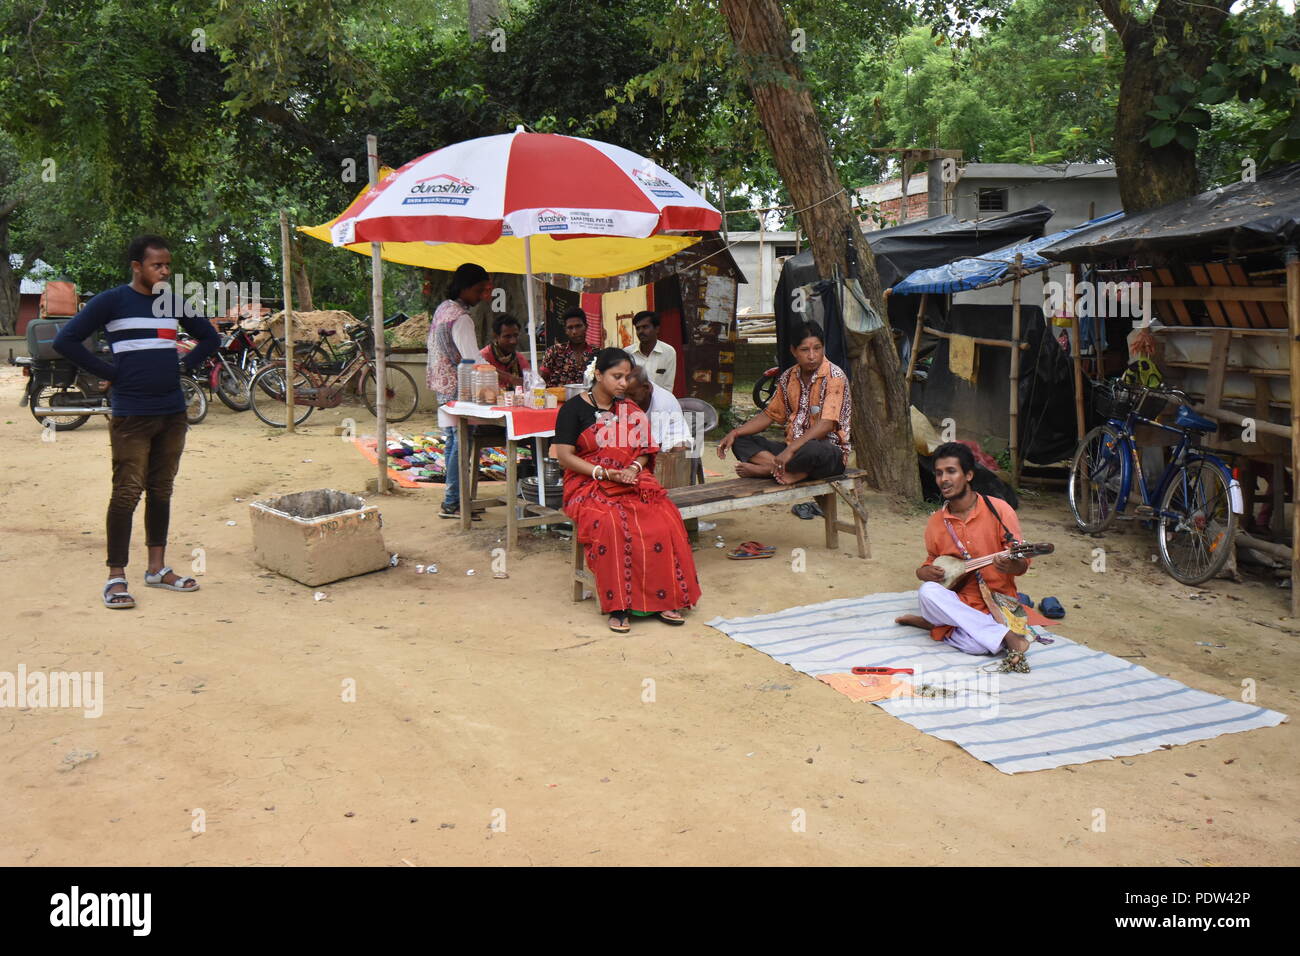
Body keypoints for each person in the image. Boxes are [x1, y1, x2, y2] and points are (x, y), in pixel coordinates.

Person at [53, 235, 220, 609]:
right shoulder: (112, 301)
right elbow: (67, 340)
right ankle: (116, 577)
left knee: (162, 489)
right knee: (127, 492)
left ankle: (157, 570)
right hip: (132, 413)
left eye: (167, 265)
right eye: (157, 265)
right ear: (136, 267)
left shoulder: (171, 302)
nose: (164, 271)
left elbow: (211, 338)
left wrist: (184, 366)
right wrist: (110, 371)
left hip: (172, 412)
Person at [551, 348, 701, 634]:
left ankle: (664, 599)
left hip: (629, 480)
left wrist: (633, 468)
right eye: (616, 376)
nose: (623, 383)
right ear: (598, 374)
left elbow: (645, 450)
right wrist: (603, 472)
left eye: (627, 377)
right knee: (610, 523)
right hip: (587, 484)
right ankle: (619, 605)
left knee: (663, 518)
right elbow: (564, 456)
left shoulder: (629, 409)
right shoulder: (573, 409)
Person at [895, 442, 1034, 670]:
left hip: (997, 602)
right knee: (928, 592)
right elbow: (929, 564)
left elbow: (1021, 563)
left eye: (951, 471)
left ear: (968, 475)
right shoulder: (936, 522)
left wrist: (1013, 565)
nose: (943, 479)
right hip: (959, 600)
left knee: (976, 646)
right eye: (939, 473)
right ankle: (1006, 637)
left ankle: (936, 625)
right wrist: (924, 572)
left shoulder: (999, 510)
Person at [717, 320, 850, 484]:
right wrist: (735, 432)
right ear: (793, 351)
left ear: (823, 348)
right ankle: (782, 469)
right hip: (793, 451)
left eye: (817, 348)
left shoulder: (835, 377)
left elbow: (826, 425)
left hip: (827, 454)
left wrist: (791, 451)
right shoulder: (788, 377)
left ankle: (770, 469)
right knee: (741, 440)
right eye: (804, 350)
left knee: (816, 449)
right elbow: (769, 414)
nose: (812, 355)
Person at [427, 263, 491, 520]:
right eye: (479, 290)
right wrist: (501, 378)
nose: (482, 296)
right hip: (459, 390)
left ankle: (454, 499)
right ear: (464, 288)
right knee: (461, 442)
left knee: (453, 442)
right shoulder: (461, 318)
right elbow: (473, 360)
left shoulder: (444, 309)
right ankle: (453, 502)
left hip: (442, 386)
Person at [622, 362, 693, 453]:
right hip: (646, 438)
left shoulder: (662, 402)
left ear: (646, 388)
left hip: (671, 441)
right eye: (625, 395)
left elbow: (654, 444)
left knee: (679, 449)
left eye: (632, 395)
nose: (627, 399)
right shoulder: (635, 390)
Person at [540, 307, 596, 387]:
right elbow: (541, 382)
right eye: (570, 328)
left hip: (586, 398)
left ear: (586, 327)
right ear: (565, 330)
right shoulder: (554, 351)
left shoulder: (596, 353)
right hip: (557, 398)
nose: (574, 331)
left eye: (578, 326)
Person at [630, 310, 678, 394]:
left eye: (645, 327)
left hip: (659, 404)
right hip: (633, 403)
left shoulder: (668, 352)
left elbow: (668, 387)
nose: (641, 331)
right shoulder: (628, 353)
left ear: (657, 329)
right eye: (638, 328)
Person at [479, 314, 531, 390]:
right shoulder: (483, 358)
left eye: (515, 335)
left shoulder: (520, 359)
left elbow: (529, 385)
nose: (513, 341)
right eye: (507, 336)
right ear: (496, 336)